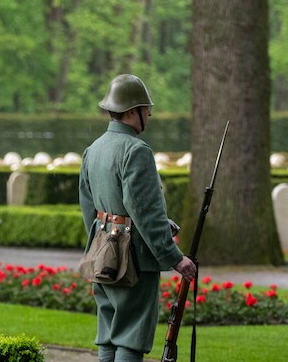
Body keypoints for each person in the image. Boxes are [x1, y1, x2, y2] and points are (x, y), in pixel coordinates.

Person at [78, 74, 196, 362]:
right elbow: (145, 211)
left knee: (107, 334)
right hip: (135, 259)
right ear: (132, 112)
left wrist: (101, 243)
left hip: (102, 254)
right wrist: (174, 257)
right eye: (146, 109)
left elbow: (88, 208)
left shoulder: (93, 149)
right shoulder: (136, 151)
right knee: (131, 336)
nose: (150, 114)